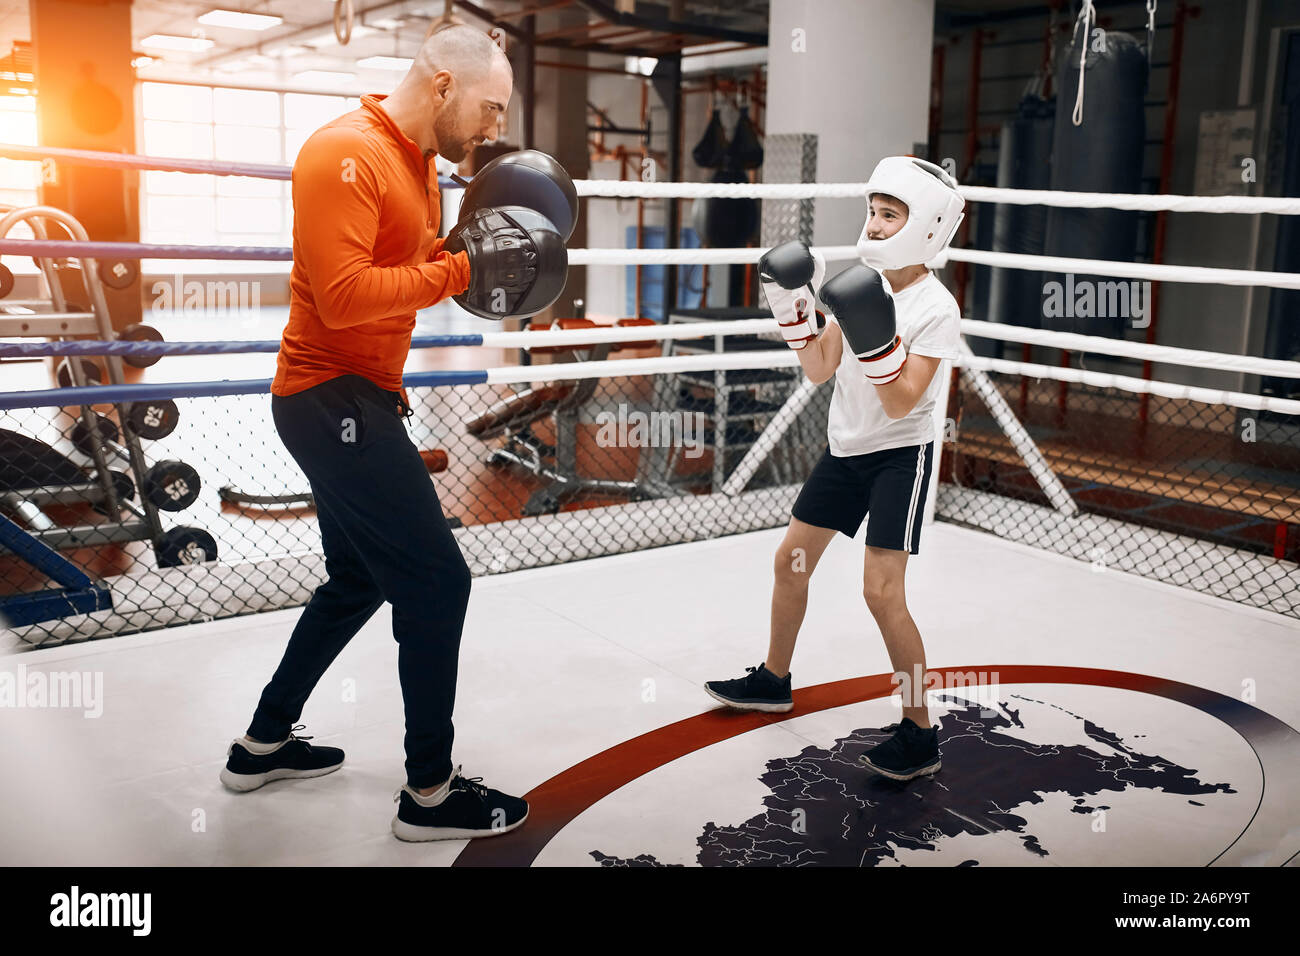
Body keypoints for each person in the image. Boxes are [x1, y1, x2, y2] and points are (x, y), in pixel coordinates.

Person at [219, 23, 566, 841]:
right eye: (488, 107)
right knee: (437, 582)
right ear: (443, 85)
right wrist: (463, 269)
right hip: (327, 400)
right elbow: (343, 297)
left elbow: (415, 270)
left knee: (356, 580)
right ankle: (430, 796)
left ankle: (261, 742)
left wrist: (479, 251)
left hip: (362, 398)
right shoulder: (343, 153)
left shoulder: (420, 168)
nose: (491, 128)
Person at [704, 156, 965, 782]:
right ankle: (773, 680)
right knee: (790, 562)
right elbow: (821, 369)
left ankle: (919, 730)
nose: (874, 225)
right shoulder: (859, 282)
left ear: (927, 227)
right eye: (872, 212)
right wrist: (795, 311)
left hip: (901, 455)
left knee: (882, 593)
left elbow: (903, 399)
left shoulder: (937, 308)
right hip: (846, 450)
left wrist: (874, 334)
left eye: (889, 215)